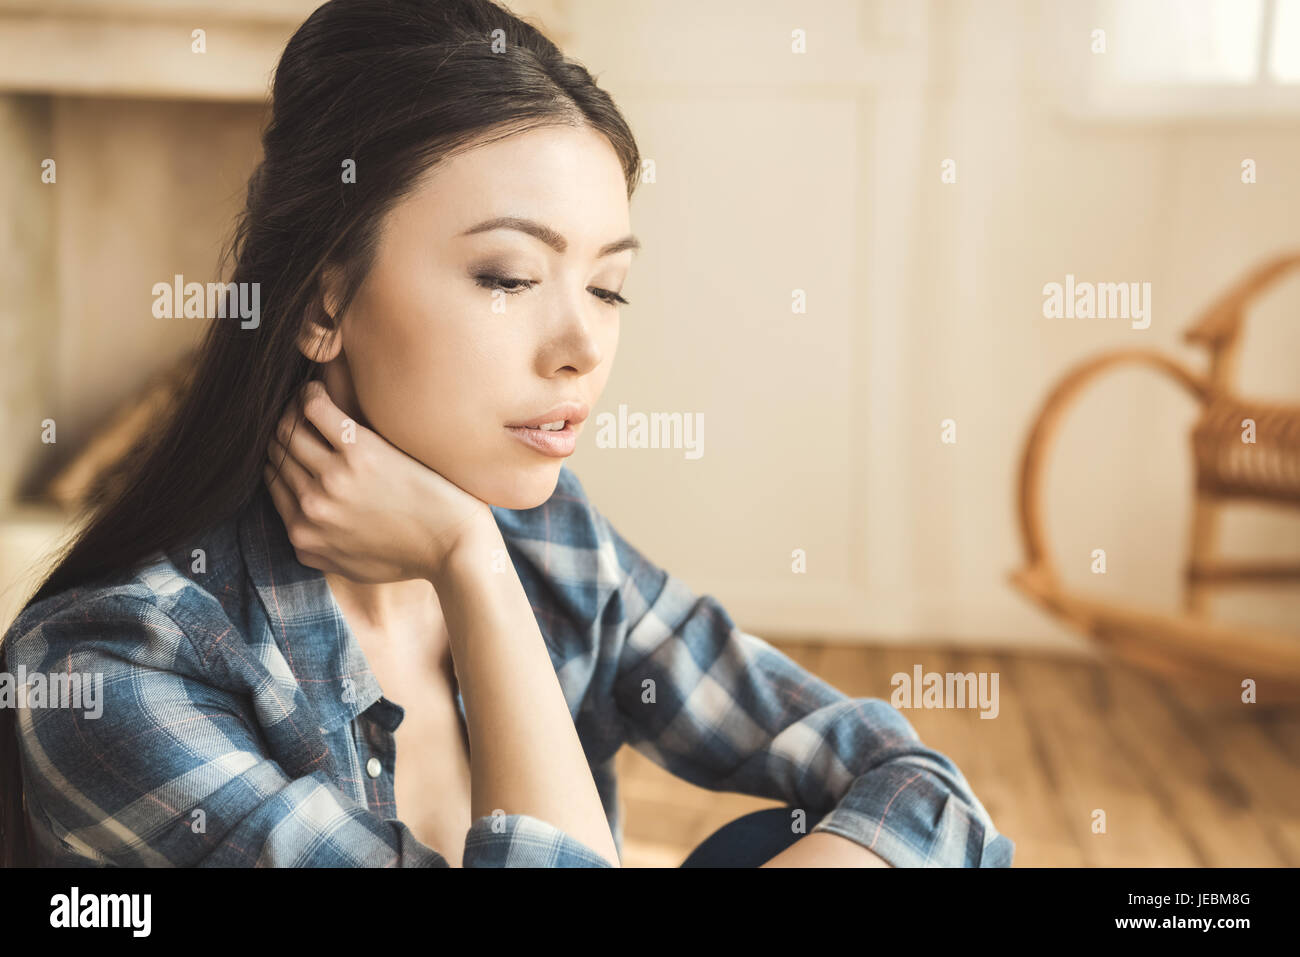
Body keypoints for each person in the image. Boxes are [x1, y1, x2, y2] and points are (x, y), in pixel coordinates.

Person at [0, 0, 1013, 868]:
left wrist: (477, 556)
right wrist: (468, 565)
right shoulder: (114, 673)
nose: (582, 346)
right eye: (508, 278)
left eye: (610, 286)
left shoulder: (550, 541)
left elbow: (918, 788)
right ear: (321, 303)